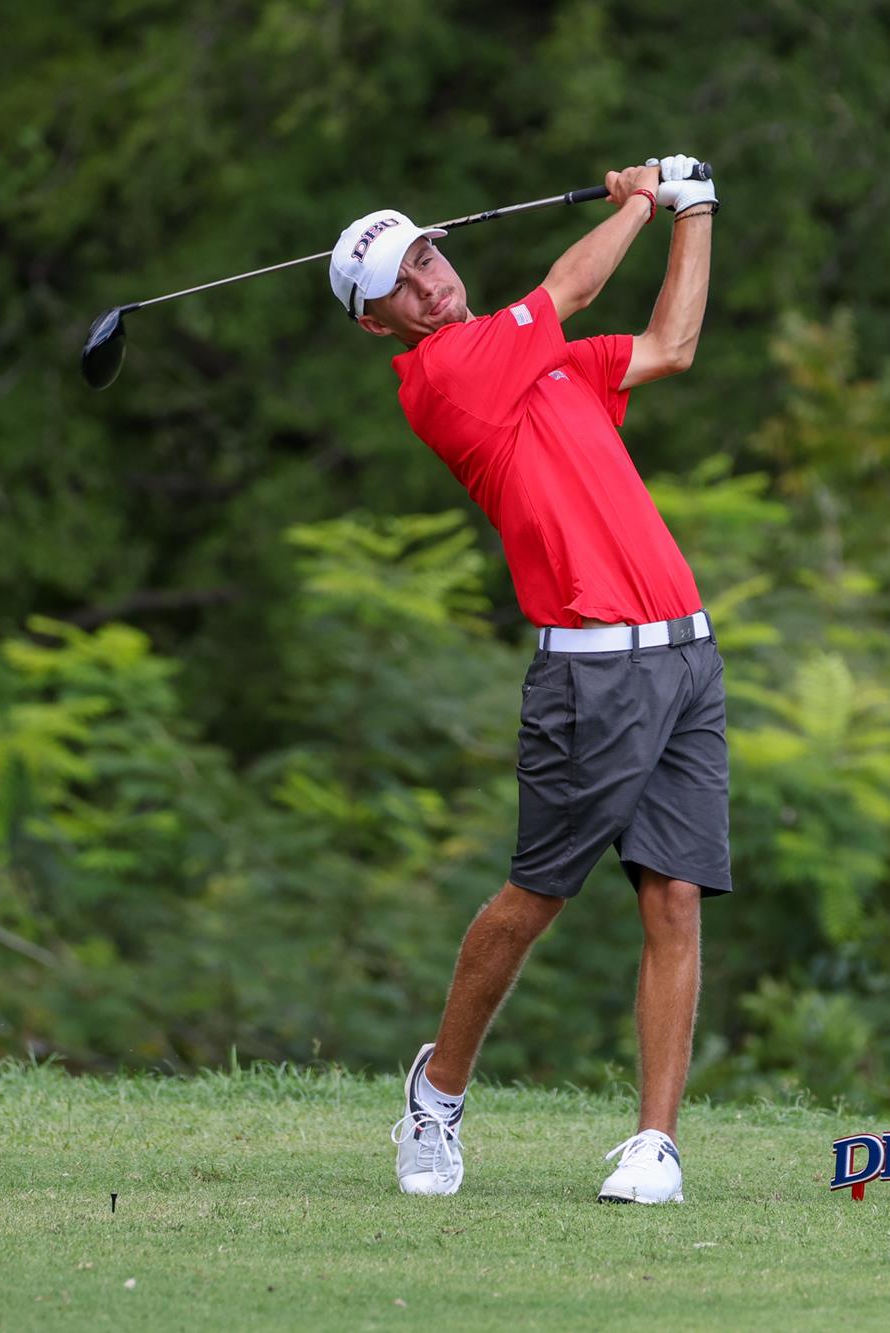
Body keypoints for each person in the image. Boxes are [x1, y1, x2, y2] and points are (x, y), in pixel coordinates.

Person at [329, 156, 725, 1204]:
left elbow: (670, 345)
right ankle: (438, 1090)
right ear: (378, 325)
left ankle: (654, 1144)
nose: (427, 284)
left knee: (675, 894)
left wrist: (695, 208)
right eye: (400, 288)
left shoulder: (542, 363)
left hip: (683, 653)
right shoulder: (446, 377)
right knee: (534, 896)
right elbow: (576, 288)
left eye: (425, 257)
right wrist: (640, 196)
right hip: (588, 674)